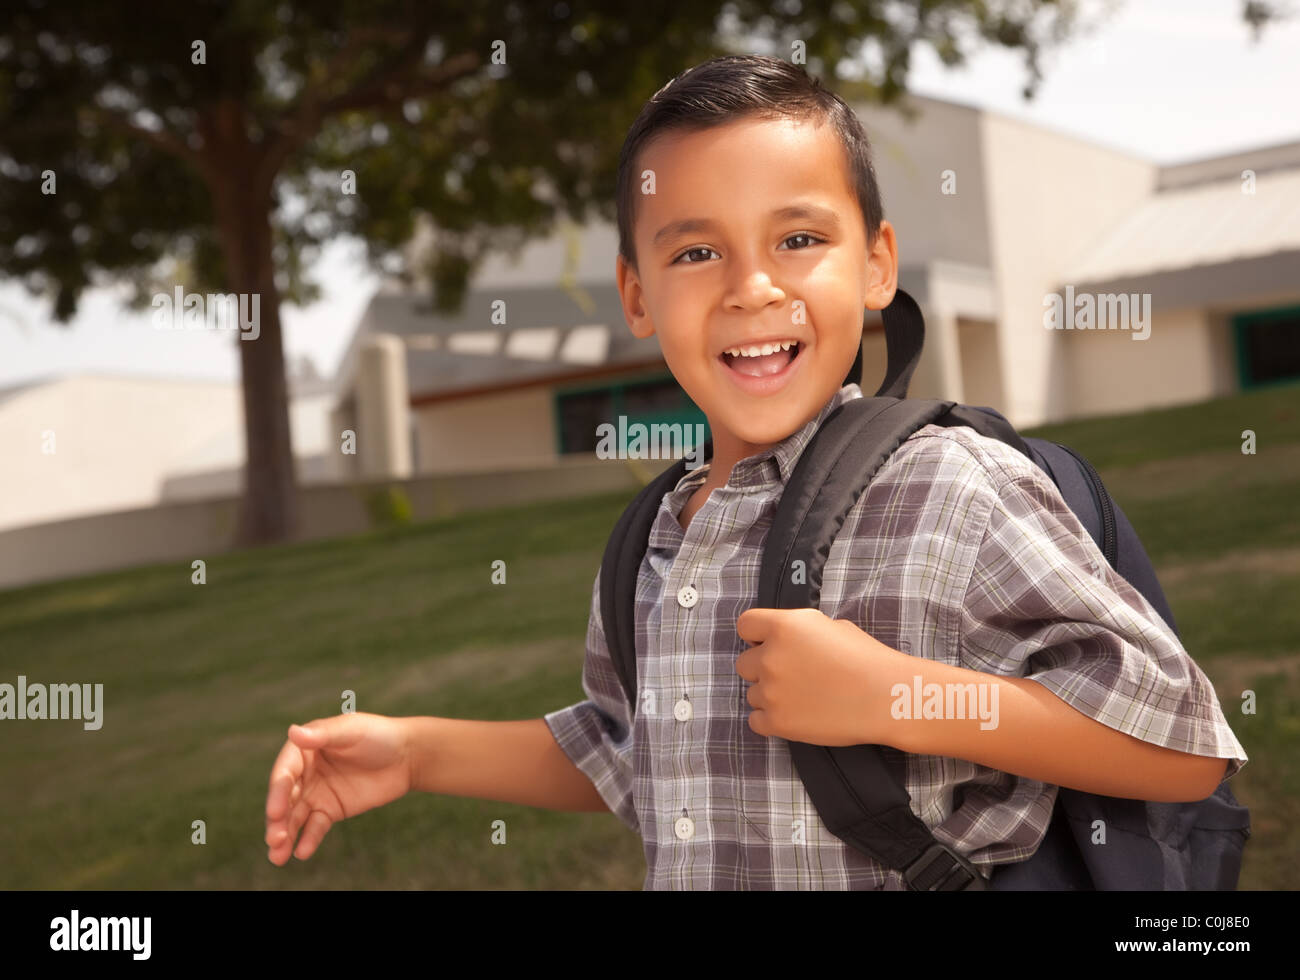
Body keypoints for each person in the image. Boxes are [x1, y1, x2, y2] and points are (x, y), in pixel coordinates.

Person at [264, 55, 1247, 888]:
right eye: (696, 251)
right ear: (636, 293)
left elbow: (1183, 744)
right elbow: (629, 740)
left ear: (875, 263)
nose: (752, 287)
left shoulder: (952, 486)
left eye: (799, 238)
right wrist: (417, 750)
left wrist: (894, 695)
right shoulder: (655, 531)